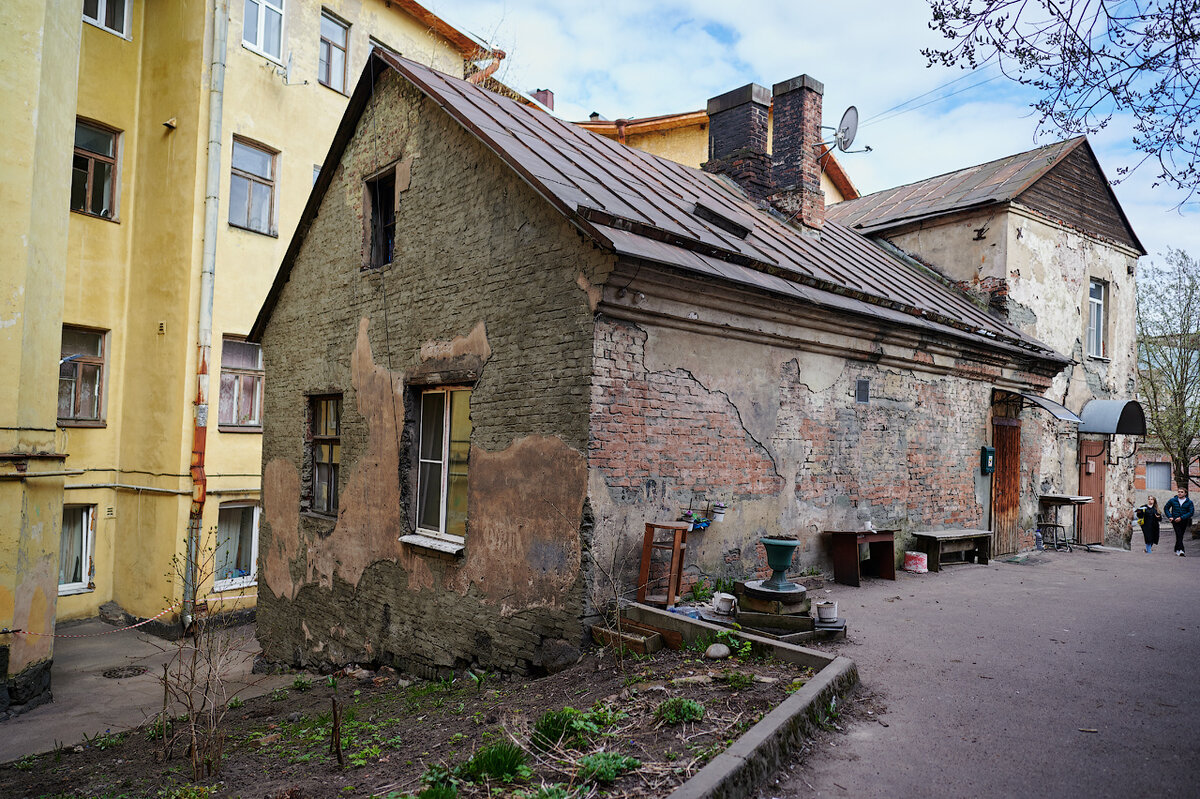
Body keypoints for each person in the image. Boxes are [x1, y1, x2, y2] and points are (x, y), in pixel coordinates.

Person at [1164, 487, 1194, 556]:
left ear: (1185, 493)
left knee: (1180, 535)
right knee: (1179, 534)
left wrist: (1181, 518)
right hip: (1175, 520)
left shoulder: (1189, 502)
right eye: (1179, 492)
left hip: (1184, 521)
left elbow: (1191, 512)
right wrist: (1170, 516)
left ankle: (1177, 549)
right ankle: (1181, 550)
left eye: (1181, 492)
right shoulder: (1173, 500)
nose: (1179, 493)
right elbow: (1166, 508)